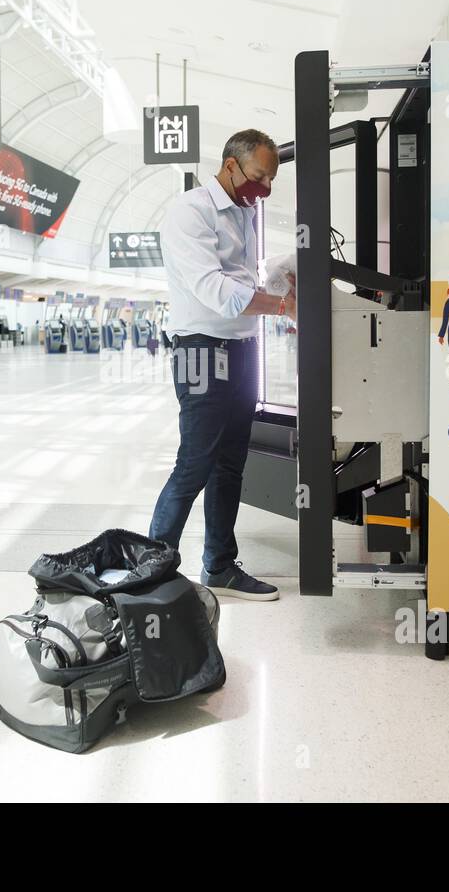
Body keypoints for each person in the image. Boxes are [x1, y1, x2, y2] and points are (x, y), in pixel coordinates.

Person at [148, 129, 296, 601]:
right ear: (230, 165)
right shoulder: (191, 211)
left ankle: (219, 566)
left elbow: (243, 277)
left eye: (271, 179)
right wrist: (281, 307)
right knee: (194, 464)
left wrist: (282, 281)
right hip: (200, 348)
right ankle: (152, 570)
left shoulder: (245, 212)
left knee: (230, 464)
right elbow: (212, 287)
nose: (265, 188)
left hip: (241, 348)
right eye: (259, 176)